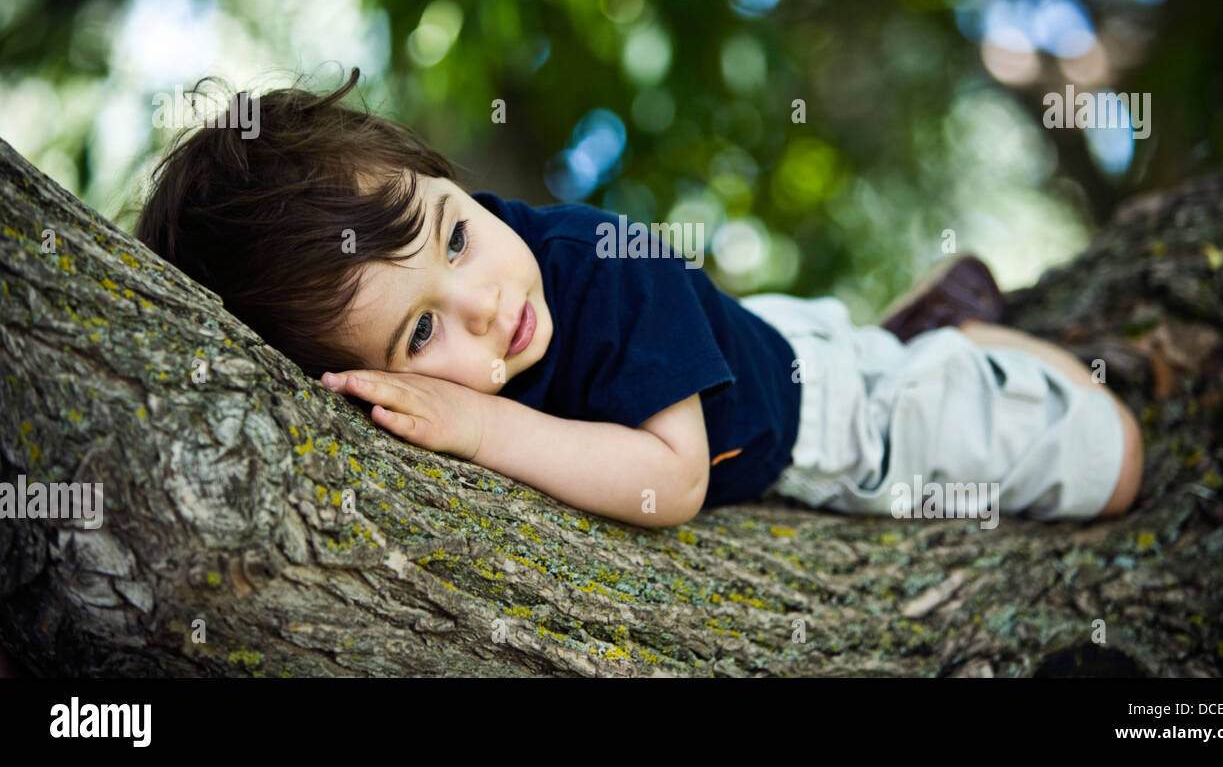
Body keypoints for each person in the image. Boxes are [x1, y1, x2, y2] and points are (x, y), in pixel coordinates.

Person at [135, 68, 1142, 529]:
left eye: (454, 234)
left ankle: (981, 342)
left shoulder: (599, 261)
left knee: (1114, 470)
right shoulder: (477, 293)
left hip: (862, 419)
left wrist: (480, 425)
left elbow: (672, 482)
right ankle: (915, 323)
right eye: (423, 328)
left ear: (449, 180)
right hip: (754, 352)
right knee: (814, 344)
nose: (483, 303)